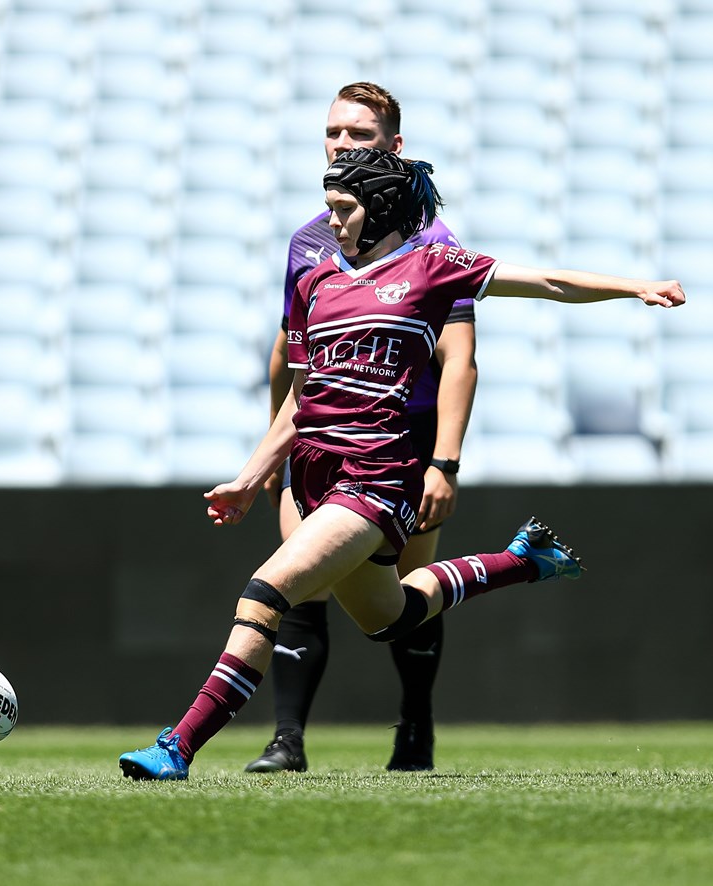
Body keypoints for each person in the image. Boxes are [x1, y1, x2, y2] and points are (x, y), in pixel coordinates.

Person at [119, 147, 685, 781]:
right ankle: (520, 561)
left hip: (375, 480)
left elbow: (549, 282)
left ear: (381, 208)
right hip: (311, 477)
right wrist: (251, 480)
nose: (329, 222)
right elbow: (300, 402)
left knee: (265, 593)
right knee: (391, 617)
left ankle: (179, 746)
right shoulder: (315, 283)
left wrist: (637, 286)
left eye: (343, 209)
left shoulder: (433, 266)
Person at [247, 81, 474, 775]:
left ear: (395, 149)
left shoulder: (434, 243)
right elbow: (291, 353)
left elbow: (459, 360)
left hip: (401, 445)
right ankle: (287, 741)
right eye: (334, 133)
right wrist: (274, 454)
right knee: (300, 582)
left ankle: (416, 726)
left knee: (407, 593)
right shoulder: (310, 241)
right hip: (320, 441)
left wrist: (445, 463)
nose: (342, 145)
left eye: (361, 136)